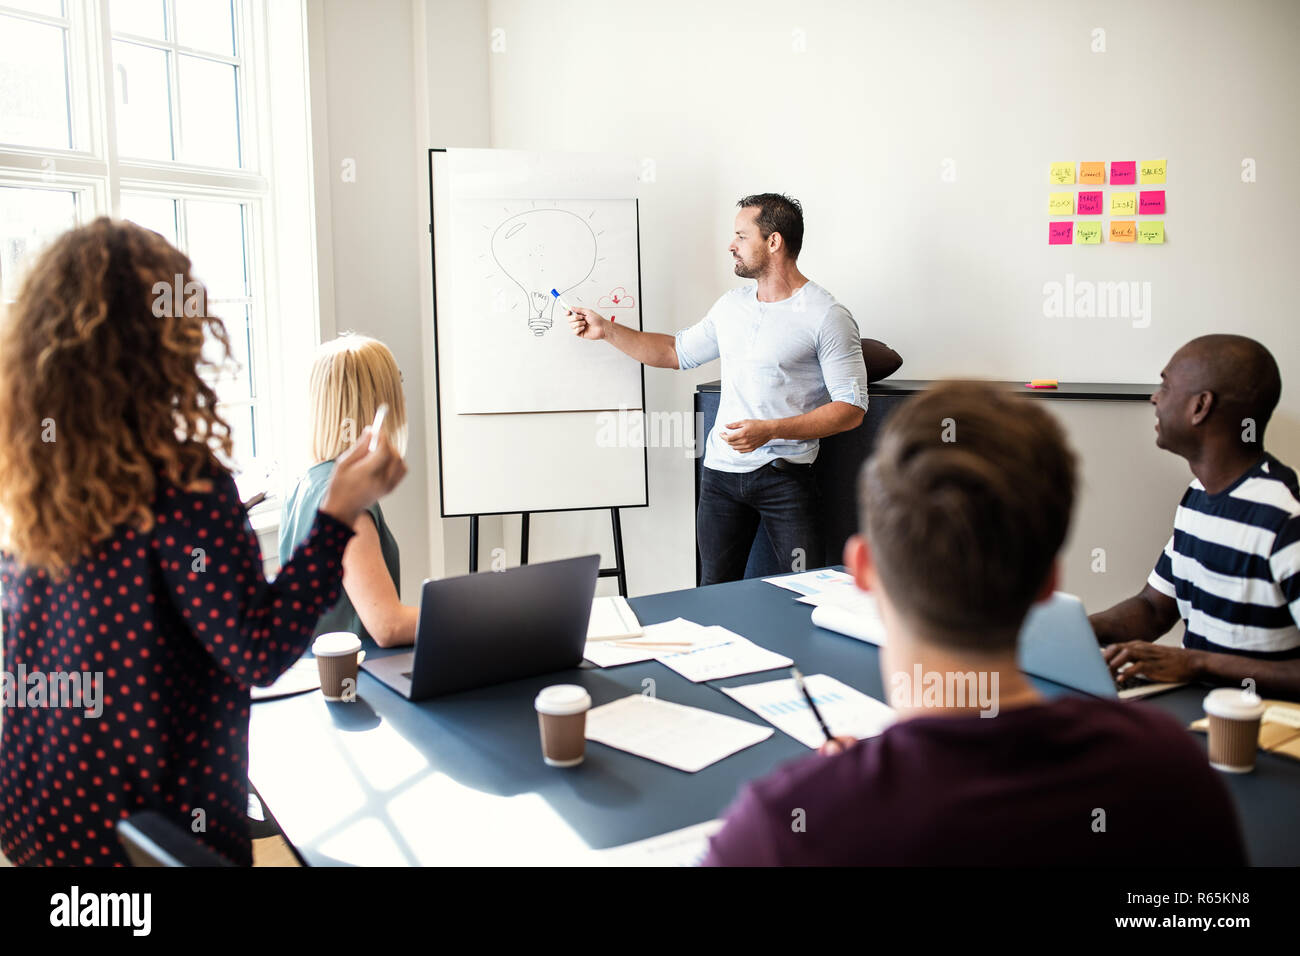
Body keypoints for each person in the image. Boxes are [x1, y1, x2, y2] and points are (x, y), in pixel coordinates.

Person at [702, 381, 1246, 866]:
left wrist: (840, 791)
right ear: (1049, 582)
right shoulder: (1172, 772)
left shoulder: (782, 826)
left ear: (863, 570)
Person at [0, 219, 405, 866]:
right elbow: (259, 650)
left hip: (41, 822)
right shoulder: (183, 484)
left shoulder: (32, 484)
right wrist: (340, 513)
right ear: (166, 340)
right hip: (151, 834)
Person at [568, 193, 868, 584]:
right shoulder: (731, 306)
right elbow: (674, 351)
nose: (731, 245)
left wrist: (772, 429)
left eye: (741, 236)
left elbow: (852, 408)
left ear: (773, 241)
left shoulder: (827, 315)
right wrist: (606, 330)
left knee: (807, 589)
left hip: (786, 479)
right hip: (720, 478)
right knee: (712, 592)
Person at [1090, 336, 1300, 700]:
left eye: (1165, 385)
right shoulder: (1198, 496)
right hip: (1197, 711)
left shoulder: (1285, 520)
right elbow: (1153, 609)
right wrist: (1074, 631)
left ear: (1200, 406)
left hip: (1262, 732)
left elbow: (1197, 661)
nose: (1155, 398)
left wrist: (1199, 663)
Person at [279, 334, 418, 649]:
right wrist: (480, 615)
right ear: (376, 401)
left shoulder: (307, 483)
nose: (402, 399)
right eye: (396, 386)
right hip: (358, 679)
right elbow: (388, 624)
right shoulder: (347, 503)